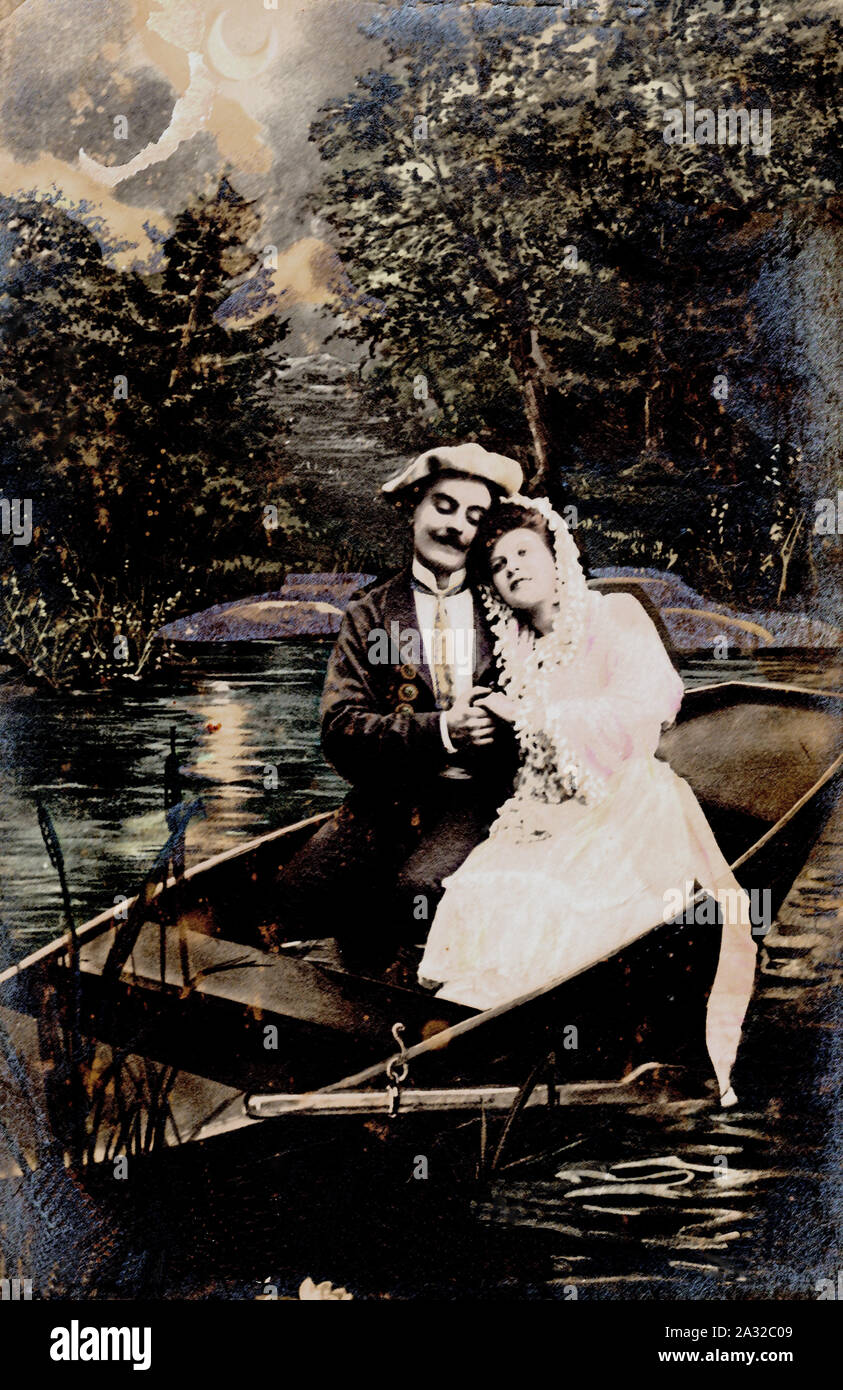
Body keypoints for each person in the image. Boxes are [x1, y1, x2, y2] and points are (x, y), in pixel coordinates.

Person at [417, 494, 758, 1106]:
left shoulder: (614, 614)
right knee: (484, 885)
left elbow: (647, 704)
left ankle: (573, 1037)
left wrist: (536, 714)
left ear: (556, 557)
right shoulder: (516, 648)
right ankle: (485, 1040)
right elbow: (519, 743)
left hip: (624, 800)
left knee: (557, 901)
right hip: (546, 811)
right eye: (497, 564)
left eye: (524, 552)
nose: (513, 568)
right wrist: (487, 718)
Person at [266, 443, 523, 961]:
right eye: (443, 506)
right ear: (414, 510)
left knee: (418, 893)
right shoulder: (370, 613)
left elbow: (554, 703)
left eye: (475, 517)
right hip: (387, 800)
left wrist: (504, 721)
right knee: (295, 891)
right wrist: (444, 730)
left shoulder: (508, 605)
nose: (456, 527)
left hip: (483, 800)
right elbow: (340, 729)